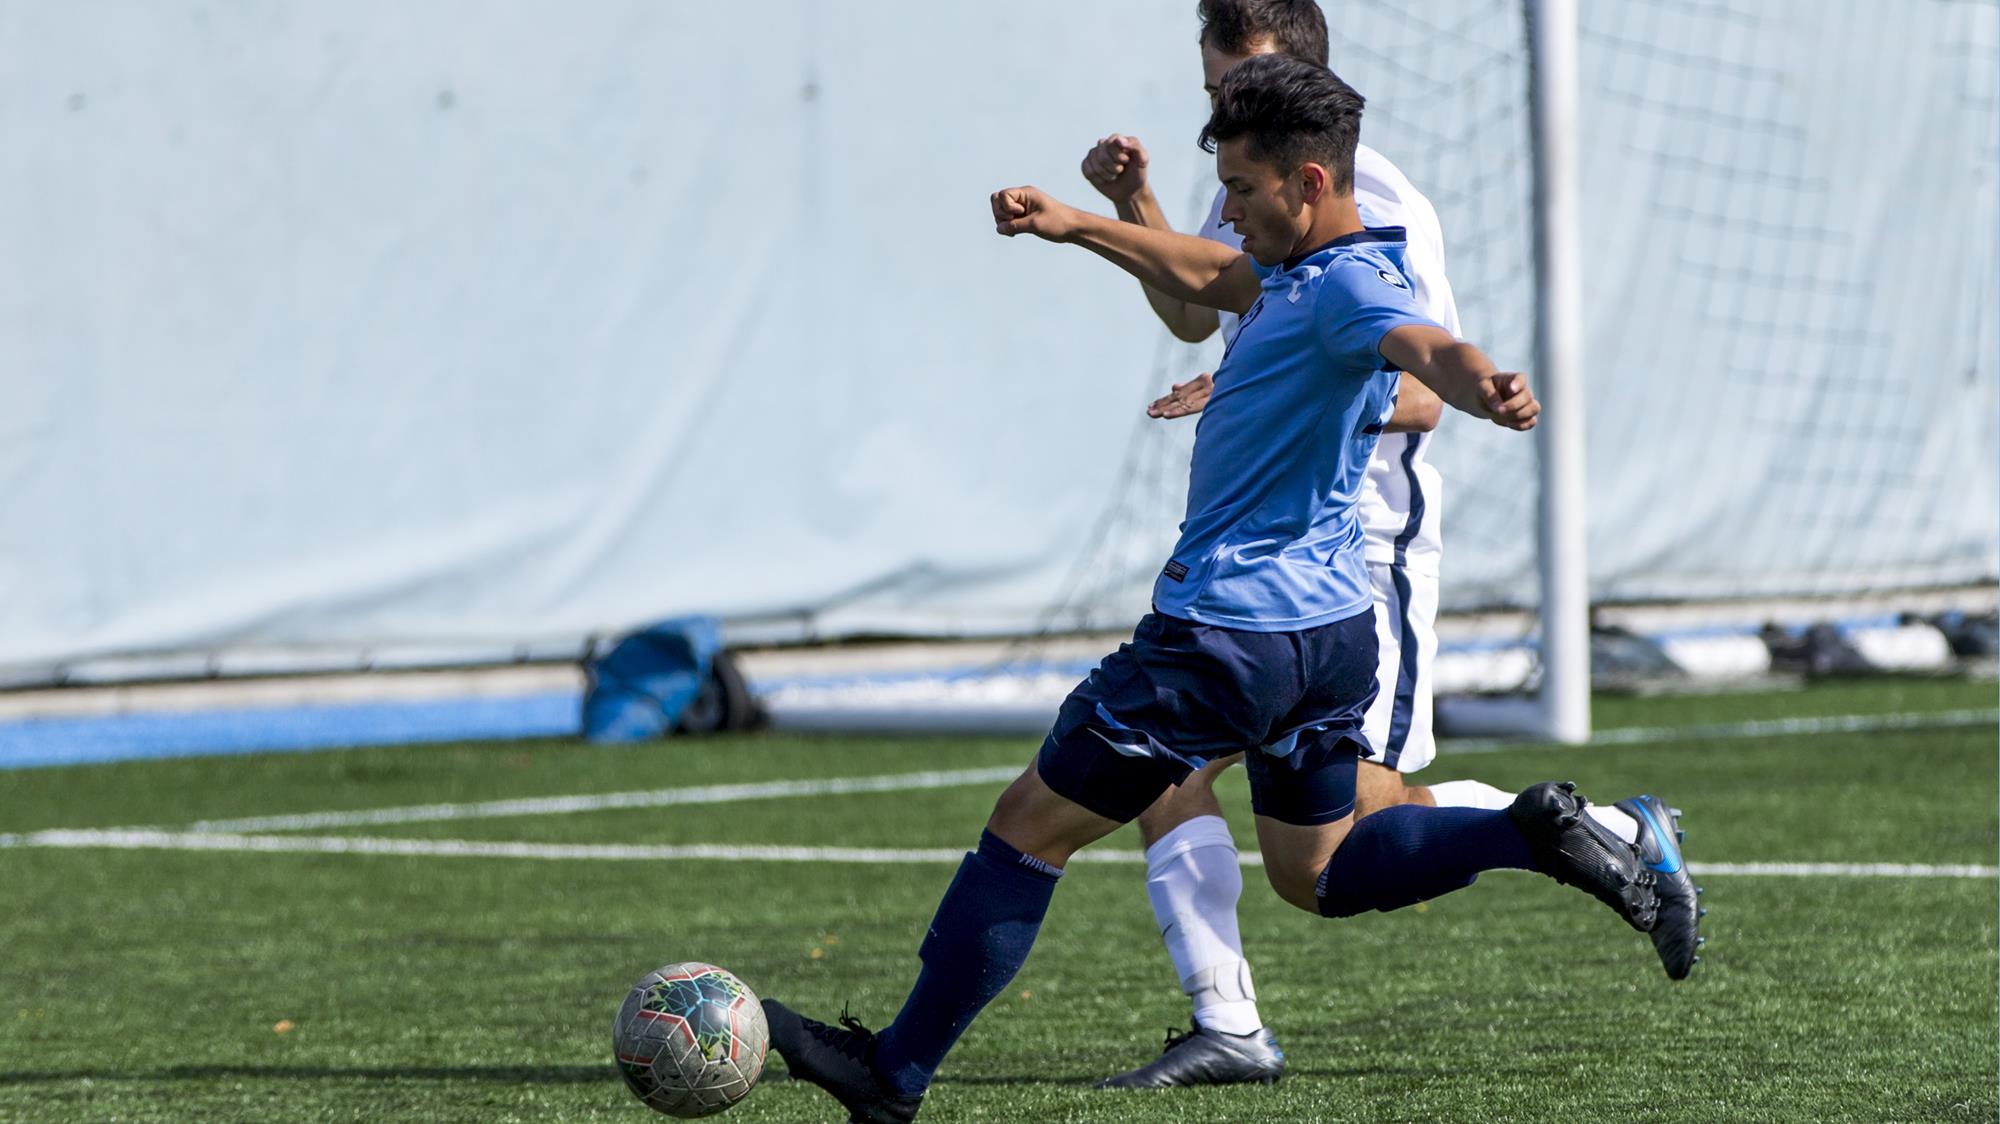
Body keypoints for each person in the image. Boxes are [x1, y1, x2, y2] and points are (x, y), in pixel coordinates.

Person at [760, 55, 1695, 1124]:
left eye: (1242, 191)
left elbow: (1417, 342)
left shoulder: (1348, 282)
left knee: (1026, 826)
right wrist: (1077, 223)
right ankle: (1525, 828)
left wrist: (1477, 381)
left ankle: (894, 1072)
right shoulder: (1297, 268)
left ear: (1307, 181)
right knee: (1322, 867)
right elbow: (1211, 276)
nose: (1230, 212)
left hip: (1222, 637)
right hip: (1328, 636)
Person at [1073, 0, 1702, 1089]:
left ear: (1294, 70)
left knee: (1355, 824)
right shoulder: (1250, 180)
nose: (1216, 109)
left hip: (1356, 551)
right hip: (1252, 564)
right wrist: (1131, 206)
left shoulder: (1373, 201)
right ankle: (1224, 1018)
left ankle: (1601, 826)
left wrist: (1253, 382)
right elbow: (1199, 310)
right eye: (1208, 85)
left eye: (1232, 84)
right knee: (1173, 775)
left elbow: (1416, 390)